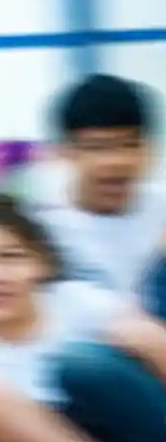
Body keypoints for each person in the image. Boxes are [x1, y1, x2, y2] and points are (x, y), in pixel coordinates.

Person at [0, 192, 166, 442]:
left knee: (123, 340)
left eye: (10, 257)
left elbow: (151, 343)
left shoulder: (78, 301)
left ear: (41, 265)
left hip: (146, 430)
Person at [38, 73, 166, 318]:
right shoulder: (41, 231)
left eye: (130, 145)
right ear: (63, 151)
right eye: (97, 147)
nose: (117, 161)